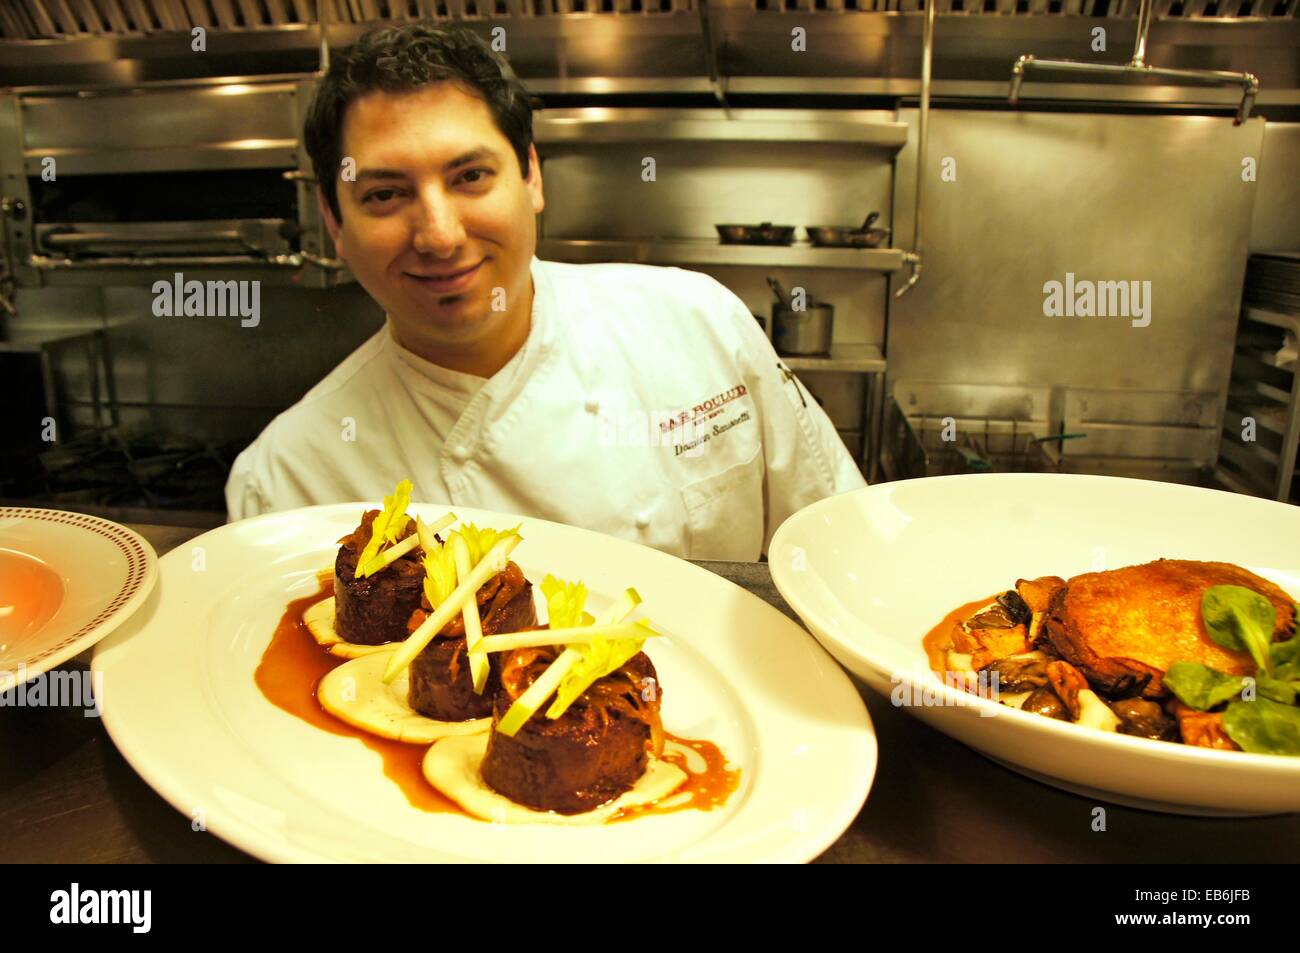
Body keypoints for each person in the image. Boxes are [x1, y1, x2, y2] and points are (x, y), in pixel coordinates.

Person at [224, 21, 865, 560]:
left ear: (530, 176)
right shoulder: (288, 478)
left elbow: (841, 548)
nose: (440, 236)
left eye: (470, 175)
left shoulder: (699, 324)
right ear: (335, 222)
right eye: (385, 194)